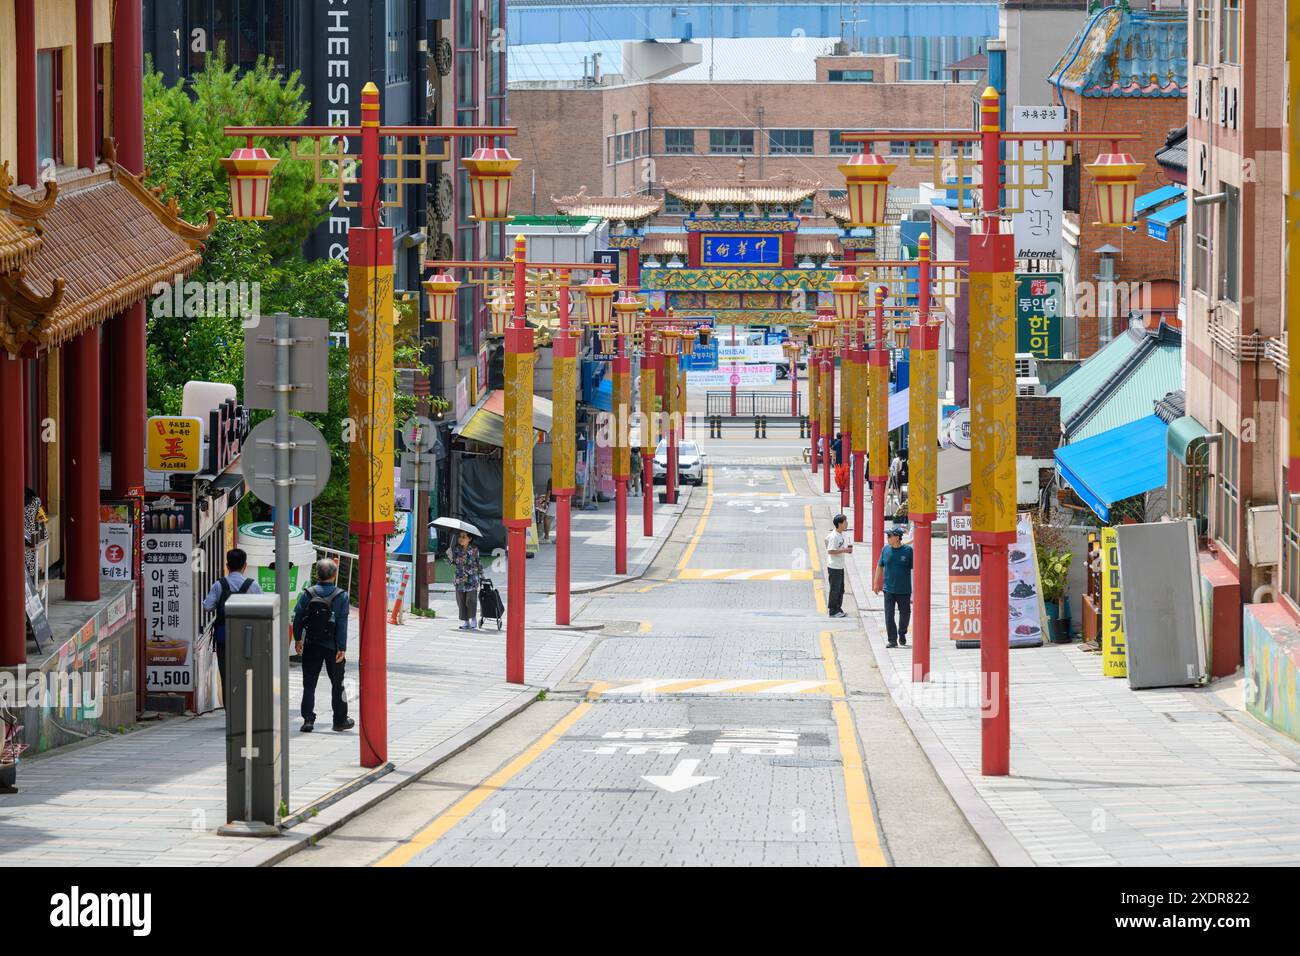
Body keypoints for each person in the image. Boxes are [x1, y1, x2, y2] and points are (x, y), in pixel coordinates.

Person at [292, 559, 352, 733]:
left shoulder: (308, 594)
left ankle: (308, 720)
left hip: (312, 643)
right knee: (338, 683)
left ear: (317, 575)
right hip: (333, 646)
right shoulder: (341, 596)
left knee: (309, 684)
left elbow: (298, 617)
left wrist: (298, 639)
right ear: (334, 575)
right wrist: (342, 647)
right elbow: (342, 623)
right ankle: (340, 720)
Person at [201, 548, 262, 707]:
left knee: (226, 673)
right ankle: (245, 706)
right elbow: (262, 610)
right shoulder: (253, 586)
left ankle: (230, 710)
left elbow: (207, 607)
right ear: (245, 565)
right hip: (247, 637)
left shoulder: (219, 585)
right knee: (246, 672)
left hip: (224, 636)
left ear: (227, 565)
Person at [874, 526, 914, 648]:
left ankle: (902, 633)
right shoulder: (885, 550)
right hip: (888, 589)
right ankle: (892, 640)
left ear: (897, 537)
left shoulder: (908, 551)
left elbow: (915, 569)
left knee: (905, 614)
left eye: (890, 536)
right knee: (889, 615)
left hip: (904, 590)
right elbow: (880, 566)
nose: (887, 538)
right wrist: (876, 583)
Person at [449, 530, 483, 631]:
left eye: (464, 537)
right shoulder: (456, 549)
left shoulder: (474, 549)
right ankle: (466, 621)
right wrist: (449, 556)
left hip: (471, 579)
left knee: (470, 600)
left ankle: (473, 618)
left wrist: (481, 575)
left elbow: (478, 562)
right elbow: (452, 562)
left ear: (470, 539)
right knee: (461, 600)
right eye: (460, 536)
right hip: (459, 579)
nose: (461, 539)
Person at [824, 514, 852, 619]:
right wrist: (845, 550)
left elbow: (825, 540)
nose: (847, 523)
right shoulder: (834, 536)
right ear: (840, 524)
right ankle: (833, 610)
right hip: (834, 567)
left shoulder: (838, 534)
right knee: (835, 589)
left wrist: (843, 550)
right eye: (845, 522)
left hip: (839, 566)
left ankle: (838, 608)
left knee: (841, 589)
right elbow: (830, 551)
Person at [23, 488, 46, 580]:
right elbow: (41, 519)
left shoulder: (15, 502)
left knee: (26, 557)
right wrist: (44, 535)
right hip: (32, 535)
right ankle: (32, 578)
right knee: (32, 556)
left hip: (20, 534)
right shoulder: (36, 501)